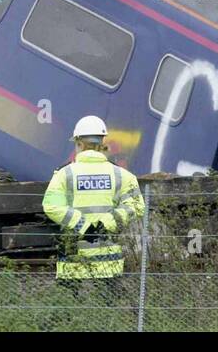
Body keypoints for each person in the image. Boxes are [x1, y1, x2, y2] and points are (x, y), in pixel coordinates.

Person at [41, 115, 145, 294]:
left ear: (79, 143)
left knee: (69, 308)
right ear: (102, 143)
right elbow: (136, 205)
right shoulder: (121, 175)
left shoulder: (64, 174)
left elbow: (51, 205)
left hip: (73, 257)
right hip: (107, 258)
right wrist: (105, 224)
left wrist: (83, 226)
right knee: (106, 311)